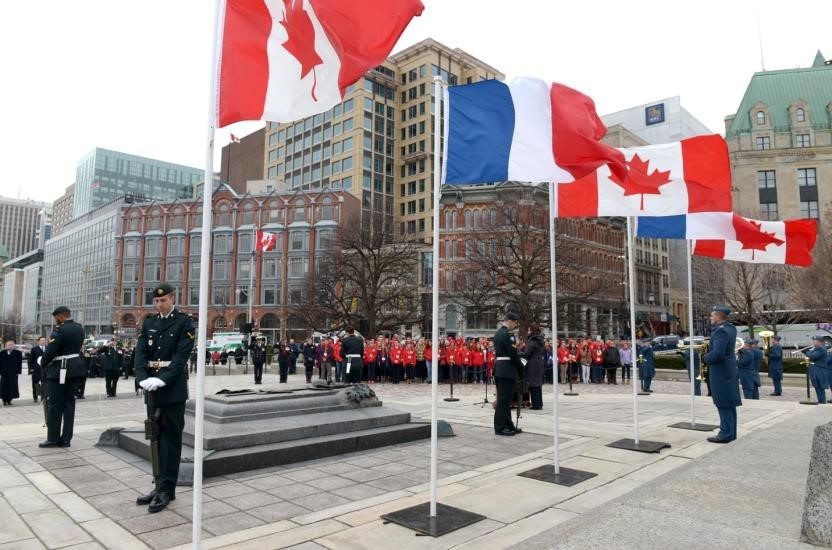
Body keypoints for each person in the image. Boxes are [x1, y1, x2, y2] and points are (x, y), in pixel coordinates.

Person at [134, 283, 194, 513]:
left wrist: (164, 379)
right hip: (151, 386)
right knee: (155, 437)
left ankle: (167, 489)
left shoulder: (184, 322)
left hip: (171, 387)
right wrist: (141, 377)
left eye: (163, 300)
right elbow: (140, 352)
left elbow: (181, 357)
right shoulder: (149, 321)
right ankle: (158, 484)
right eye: (156, 301)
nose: (160, 304)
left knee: (171, 438)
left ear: (172, 298)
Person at [39, 306, 85, 447]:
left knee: (55, 404)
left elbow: (51, 351)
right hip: (75, 369)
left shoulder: (60, 330)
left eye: (56, 318)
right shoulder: (79, 328)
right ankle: (66, 439)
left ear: (60, 316)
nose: (56, 321)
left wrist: (42, 362)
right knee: (69, 403)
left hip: (60, 369)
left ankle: (53, 438)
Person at [703, 306, 742, 443]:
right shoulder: (730, 328)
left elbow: (718, 353)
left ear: (719, 316)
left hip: (721, 371)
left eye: (712, 315)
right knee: (729, 403)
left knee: (723, 402)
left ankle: (725, 434)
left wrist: (705, 358)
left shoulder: (720, 332)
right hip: (728, 369)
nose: (711, 318)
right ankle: (731, 433)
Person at [493, 311, 525, 436]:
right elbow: (513, 354)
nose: (515, 325)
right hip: (507, 370)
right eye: (515, 323)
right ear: (510, 321)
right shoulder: (508, 334)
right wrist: (521, 367)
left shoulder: (498, 333)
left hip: (499, 368)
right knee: (504, 400)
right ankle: (499, 427)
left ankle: (508, 425)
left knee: (505, 400)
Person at [519, 324, 545, 410]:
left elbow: (527, 354)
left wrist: (516, 353)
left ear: (533, 331)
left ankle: (536, 405)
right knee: (538, 385)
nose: (528, 332)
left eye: (529, 330)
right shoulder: (540, 340)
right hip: (539, 364)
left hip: (532, 365)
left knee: (533, 385)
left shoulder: (532, 341)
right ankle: (539, 403)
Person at [804, 336, 829, 404]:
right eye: (814, 341)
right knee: (817, 386)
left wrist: (807, 352)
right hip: (815, 370)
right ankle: (820, 401)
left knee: (820, 387)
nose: (814, 342)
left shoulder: (821, 349)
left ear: (820, 342)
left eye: (815, 341)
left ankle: (822, 402)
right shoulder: (816, 348)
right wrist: (808, 352)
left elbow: (812, 356)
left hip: (819, 370)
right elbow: (811, 355)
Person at [0, 340, 23, 405]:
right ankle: (4, 399)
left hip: (13, 373)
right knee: (4, 386)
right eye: (8, 345)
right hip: (4, 373)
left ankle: (10, 399)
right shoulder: (2, 353)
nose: (10, 346)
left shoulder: (17, 353)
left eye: (11, 345)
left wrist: (18, 371)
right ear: (6, 346)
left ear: (13, 346)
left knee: (12, 386)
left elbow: (19, 363)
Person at [29, 336, 47, 402]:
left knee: (44, 384)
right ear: (38, 341)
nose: (43, 341)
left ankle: (43, 396)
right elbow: (31, 359)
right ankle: (35, 397)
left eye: (44, 340)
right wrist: (31, 368)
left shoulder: (48, 348)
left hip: (45, 369)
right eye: (41, 340)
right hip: (36, 369)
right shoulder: (34, 349)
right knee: (35, 384)